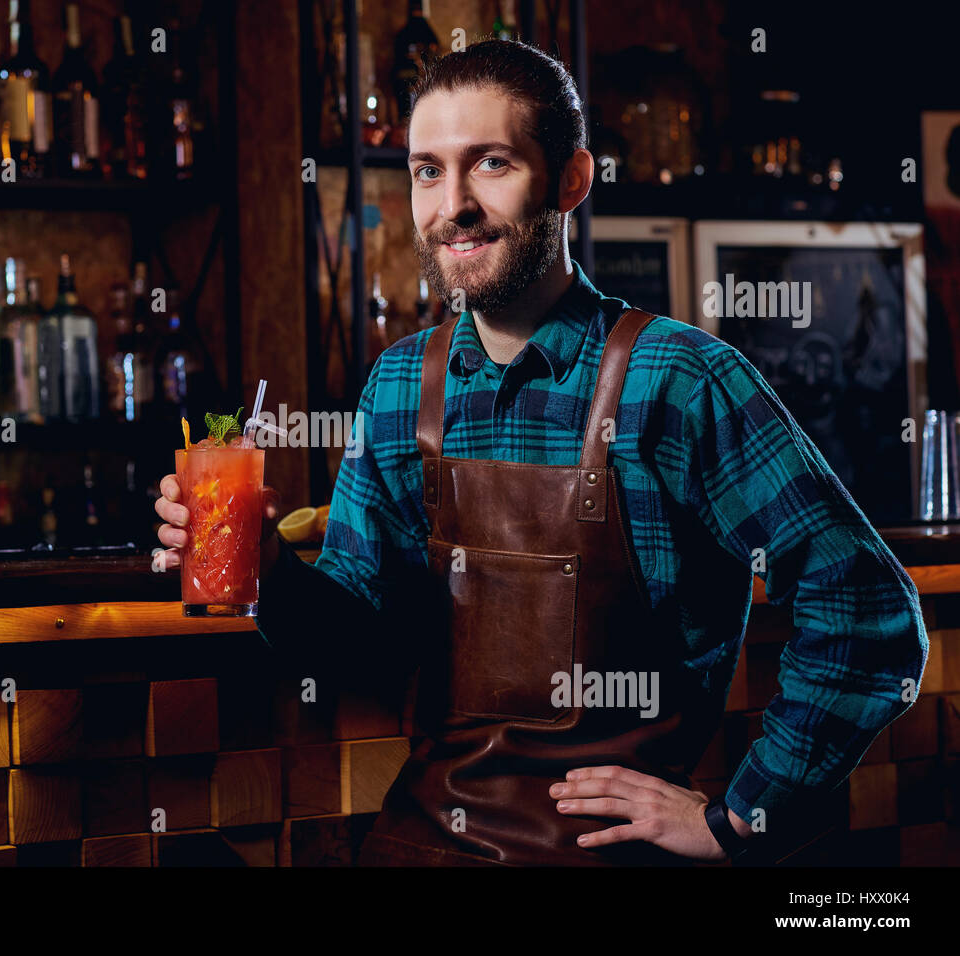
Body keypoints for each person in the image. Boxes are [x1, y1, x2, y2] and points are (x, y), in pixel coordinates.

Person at [154, 39, 927, 866]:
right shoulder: (396, 386)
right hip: (421, 839)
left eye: (490, 163)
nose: (452, 204)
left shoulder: (679, 379)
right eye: (425, 171)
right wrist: (271, 573)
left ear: (571, 180)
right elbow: (363, 644)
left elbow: (868, 612)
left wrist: (739, 818)